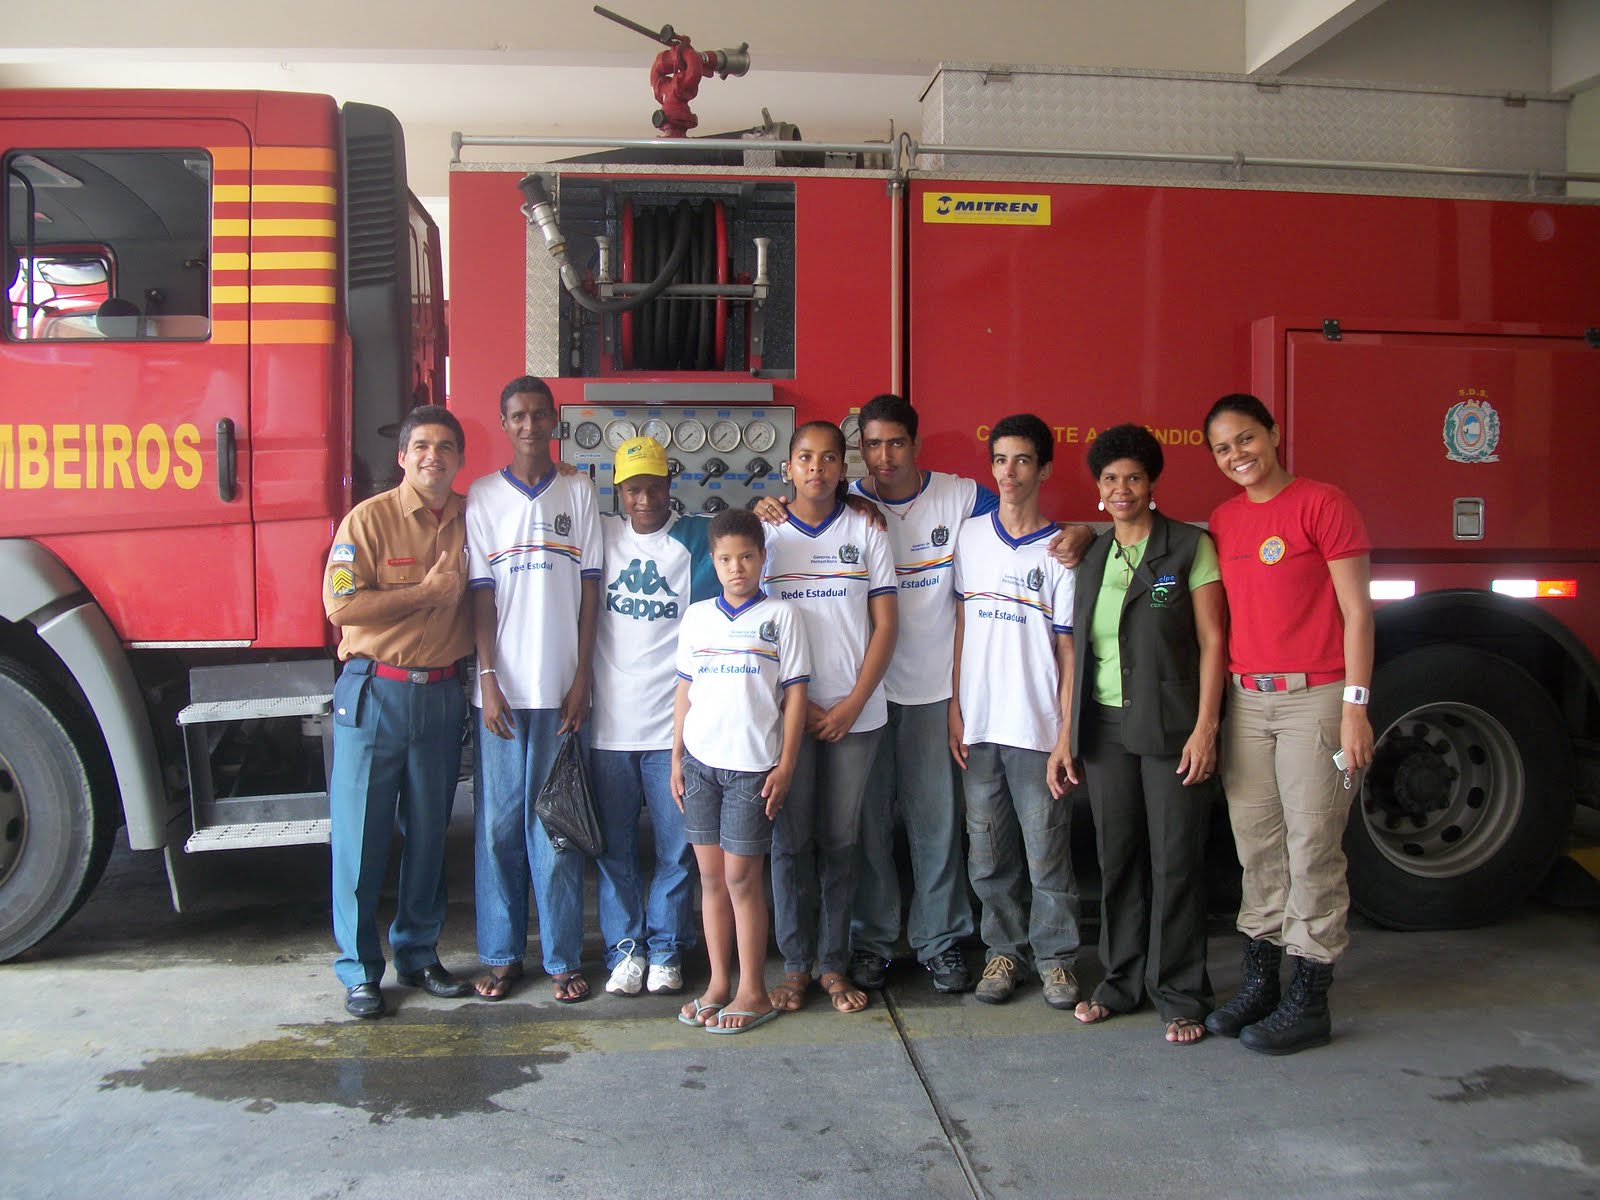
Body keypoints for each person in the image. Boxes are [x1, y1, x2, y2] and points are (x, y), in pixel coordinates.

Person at [831, 395, 1095, 996]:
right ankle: (871, 942)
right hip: (866, 693)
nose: (884, 456)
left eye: (895, 443)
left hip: (936, 694)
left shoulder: (961, 499)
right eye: (872, 445)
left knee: (939, 827)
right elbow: (791, 510)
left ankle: (943, 943)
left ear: (916, 445)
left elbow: (1026, 523)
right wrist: (771, 497)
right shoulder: (850, 503)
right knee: (870, 829)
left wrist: (1082, 531)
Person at [1201, 392, 1374, 1055]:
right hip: (1248, 702)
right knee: (1258, 847)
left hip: (1317, 699)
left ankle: (1309, 999)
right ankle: (1262, 983)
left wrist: (1356, 708)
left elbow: (1358, 613)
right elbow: (1191, 597)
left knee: (1312, 847)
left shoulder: (1322, 505)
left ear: (1273, 435)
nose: (1237, 455)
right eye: (1223, 448)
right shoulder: (1222, 520)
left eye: (1246, 439)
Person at [1066, 423, 1224, 1045]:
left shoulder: (1189, 547)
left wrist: (1206, 727)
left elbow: (1214, 643)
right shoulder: (1095, 554)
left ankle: (1181, 992)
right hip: (1106, 731)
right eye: (1110, 479)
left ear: (1152, 482)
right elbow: (1080, 651)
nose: (1122, 488)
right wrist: (1066, 734)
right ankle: (1121, 980)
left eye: (1133, 476)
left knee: (1177, 860)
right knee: (1118, 858)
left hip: (1170, 728)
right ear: (1098, 489)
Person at [323, 404, 476, 1019]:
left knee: (429, 837)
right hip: (375, 694)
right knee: (360, 841)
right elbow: (340, 608)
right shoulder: (368, 520)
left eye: (444, 447)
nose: (432, 456)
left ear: (460, 459)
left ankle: (418, 954)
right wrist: (427, 594)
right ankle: (361, 971)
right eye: (421, 447)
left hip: (441, 696)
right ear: (402, 457)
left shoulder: (474, 518)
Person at [467, 376, 602, 1004]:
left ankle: (561, 958)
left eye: (539, 415)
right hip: (502, 697)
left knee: (555, 827)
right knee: (498, 826)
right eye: (517, 415)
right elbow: (482, 597)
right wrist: (488, 679)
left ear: (555, 421)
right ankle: (499, 954)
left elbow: (590, 592)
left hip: (559, 694)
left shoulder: (579, 490)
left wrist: (581, 676)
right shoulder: (482, 498)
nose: (529, 425)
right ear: (504, 421)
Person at [764, 421, 898, 1016]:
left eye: (828, 459)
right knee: (790, 841)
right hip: (788, 713)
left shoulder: (867, 529)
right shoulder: (765, 531)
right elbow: (754, 624)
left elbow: (887, 625)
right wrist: (806, 707)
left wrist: (850, 704)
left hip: (855, 716)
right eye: (804, 457)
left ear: (844, 469)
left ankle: (833, 964)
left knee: (842, 840)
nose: (816, 468)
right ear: (788, 467)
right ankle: (794, 965)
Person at [949, 412, 1081, 1008]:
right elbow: (958, 627)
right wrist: (955, 707)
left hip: (1035, 730)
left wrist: (1064, 735)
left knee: (1046, 850)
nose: (1009, 472)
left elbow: (1068, 651)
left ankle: (1056, 958)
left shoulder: (1059, 552)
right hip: (978, 727)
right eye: (1000, 460)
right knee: (987, 853)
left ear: (1044, 469)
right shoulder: (970, 537)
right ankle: (1003, 952)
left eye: (1023, 460)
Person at [672, 508, 811, 1033]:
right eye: (726, 559)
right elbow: (684, 691)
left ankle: (754, 990)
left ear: (762, 558)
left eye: (747, 557)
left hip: (753, 769)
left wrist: (787, 764)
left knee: (741, 878)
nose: (737, 568)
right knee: (710, 877)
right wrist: (675, 758)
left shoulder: (781, 617)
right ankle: (718, 984)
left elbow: (795, 697)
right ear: (713, 561)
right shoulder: (698, 617)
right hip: (701, 764)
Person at [590, 436, 719, 997]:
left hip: (672, 730)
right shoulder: (602, 537)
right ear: (618, 492)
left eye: (655, 487)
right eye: (633, 489)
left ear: (672, 488)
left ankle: (666, 947)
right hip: (608, 728)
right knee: (613, 848)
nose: (645, 499)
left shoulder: (694, 543)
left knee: (677, 849)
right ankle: (626, 948)